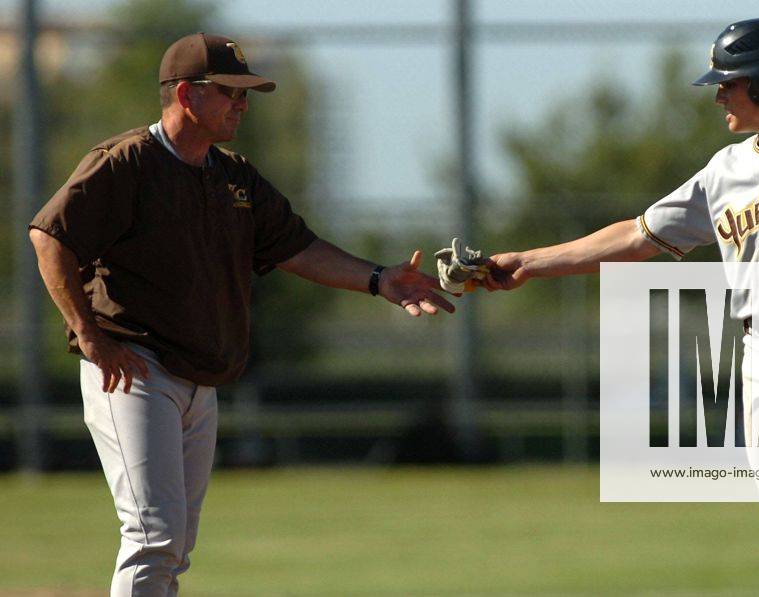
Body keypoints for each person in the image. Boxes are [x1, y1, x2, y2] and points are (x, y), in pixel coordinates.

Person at [482, 18, 759, 597]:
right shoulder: (723, 171)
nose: (720, 93)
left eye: (731, 82)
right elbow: (635, 236)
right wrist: (528, 260)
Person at [28, 32, 454, 596]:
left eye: (246, 93)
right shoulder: (129, 161)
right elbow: (49, 235)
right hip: (134, 370)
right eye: (230, 91)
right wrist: (89, 337)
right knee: (154, 536)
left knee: (175, 548)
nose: (242, 103)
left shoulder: (233, 175)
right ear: (185, 94)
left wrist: (379, 280)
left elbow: (296, 247)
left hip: (201, 377)